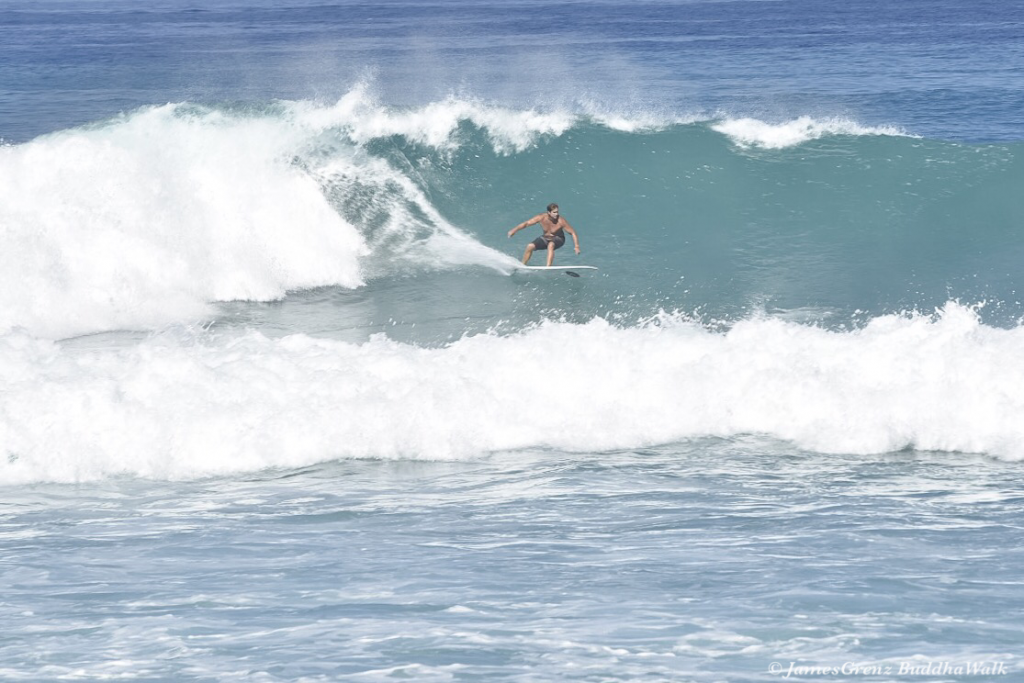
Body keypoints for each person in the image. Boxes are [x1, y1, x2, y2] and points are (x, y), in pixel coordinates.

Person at [507, 203, 581, 266]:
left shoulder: (561, 221)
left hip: (559, 239)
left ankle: (548, 267)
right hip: (545, 238)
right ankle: (522, 265)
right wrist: (514, 230)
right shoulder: (541, 217)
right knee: (530, 246)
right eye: (554, 212)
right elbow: (526, 223)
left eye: (557, 212)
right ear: (549, 212)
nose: (557, 214)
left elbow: (573, 232)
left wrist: (576, 246)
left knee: (551, 245)